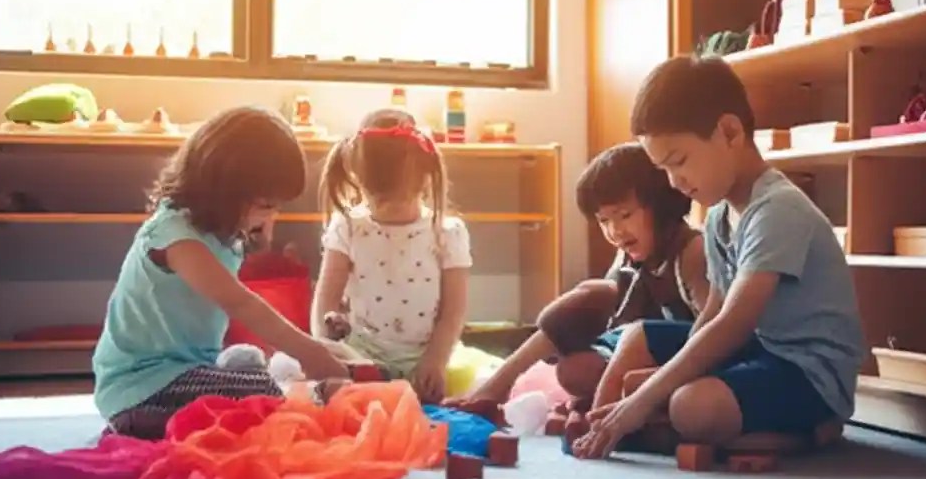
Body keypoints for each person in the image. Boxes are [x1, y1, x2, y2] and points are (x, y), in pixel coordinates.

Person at [572, 55, 865, 459]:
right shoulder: (719, 216)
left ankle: (813, 431)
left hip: (808, 373)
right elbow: (711, 312)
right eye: (664, 170)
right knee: (639, 338)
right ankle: (604, 422)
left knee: (691, 406)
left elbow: (734, 322)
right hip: (760, 351)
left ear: (729, 132)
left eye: (679, 162)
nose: (675, 182)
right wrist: (662, 380)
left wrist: (647, 398)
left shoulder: (777, 208)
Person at [93, 106, 348, 441]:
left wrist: (260, 227)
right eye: (266, 205)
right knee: (269, 391)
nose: (271, 216)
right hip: (142, 389)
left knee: (249, 363)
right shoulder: (177, 236)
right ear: (228, 190)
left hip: (186, 374)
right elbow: (242, 303)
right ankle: (134, 429)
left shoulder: (215, 230)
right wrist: (311, 352)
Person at [445, 142, 709, 411]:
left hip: (687, 365)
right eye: (604, 221)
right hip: (636, 356)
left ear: (662, 205)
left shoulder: (692, 253)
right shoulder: (633, 252)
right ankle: (494, 389)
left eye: (625, 215)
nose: (615, 230)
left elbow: (713, 338)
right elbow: (614, 320)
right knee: (577, 355)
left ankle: (609, 413)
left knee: (647, 386)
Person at [311, 108, 471, 404]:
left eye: (402, 200)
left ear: (425, 179)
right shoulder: (348, 225)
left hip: (422, 355)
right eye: (379, 201)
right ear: (359, 181)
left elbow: (453, 311)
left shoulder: (448, 232)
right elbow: (325, 301)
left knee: (475, 388)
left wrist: (435, 361)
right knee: (295, 370)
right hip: (361, 353)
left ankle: (392, 391)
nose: (390, 211)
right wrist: (329, 345)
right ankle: (377, 389)